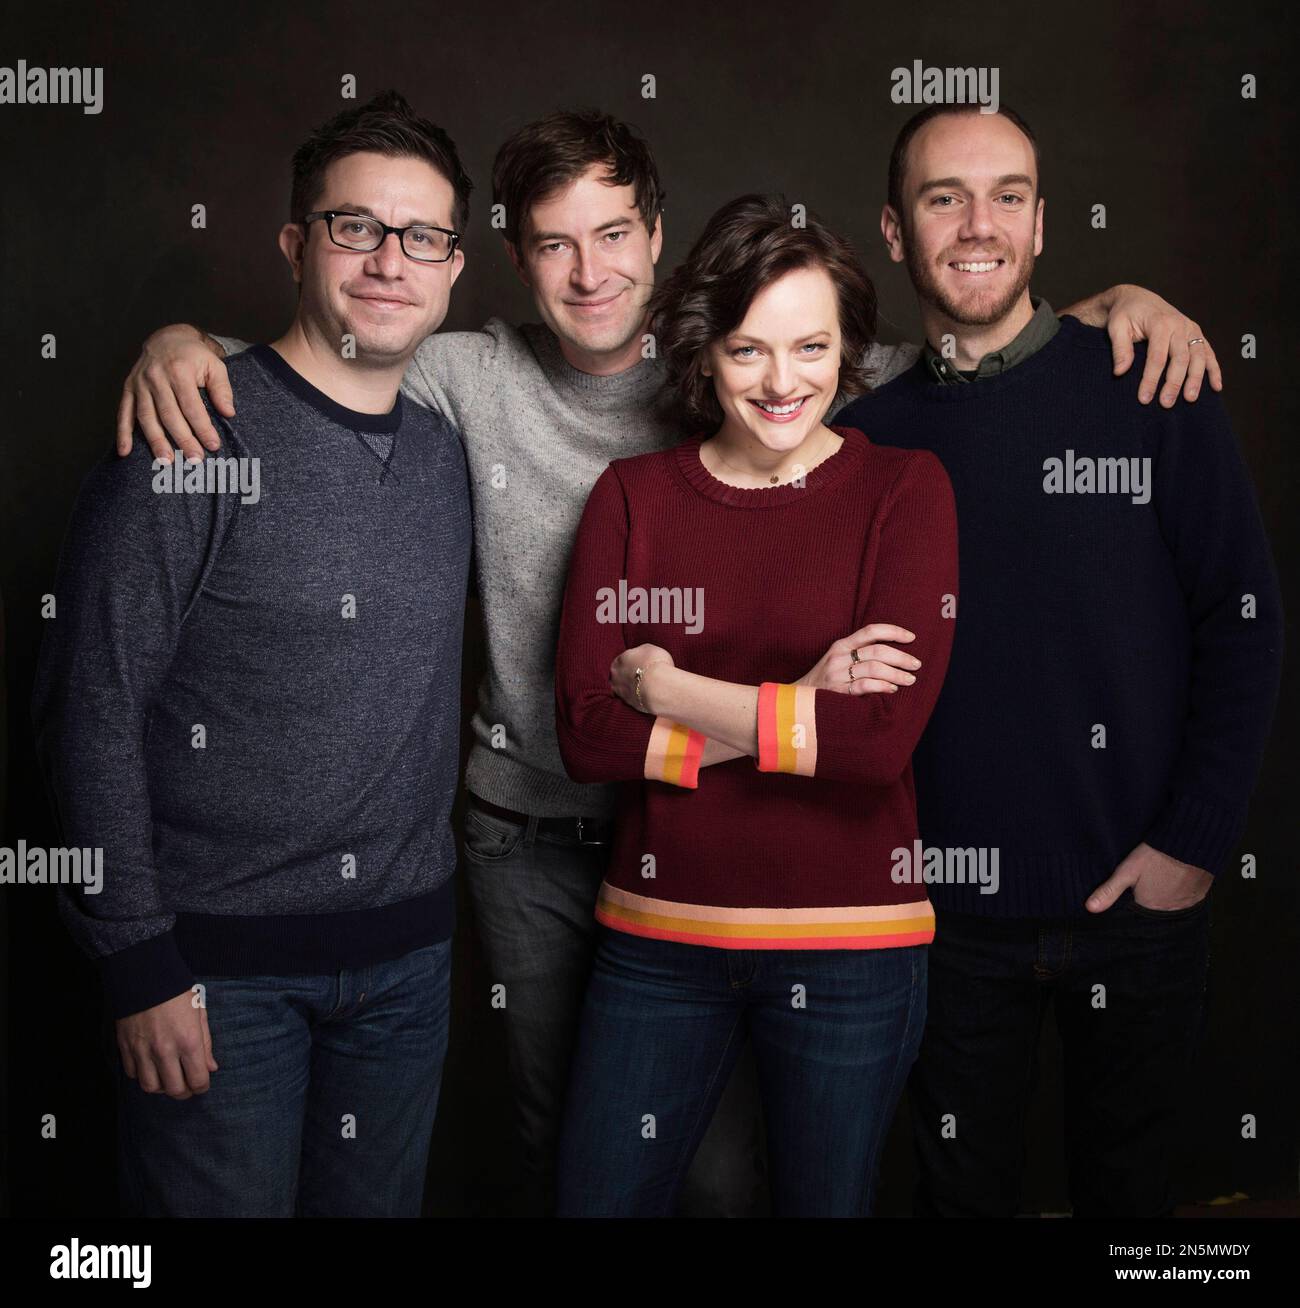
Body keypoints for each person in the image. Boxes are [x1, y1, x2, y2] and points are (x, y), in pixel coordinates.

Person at [112, 109, 1222, 1218]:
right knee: (571, 1145)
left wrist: (1116, 306)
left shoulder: (829, 395)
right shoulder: (470, 376)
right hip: (537, 838)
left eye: (611, 234)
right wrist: (182, 343)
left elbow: (973, 341)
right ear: (512, 259)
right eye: (553, 243)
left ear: (656, 237)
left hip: (763, 878)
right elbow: (322, 356)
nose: (587, 270)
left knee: (736, 1173)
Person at [834, 103, 1284, 1218]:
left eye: (1008, 197)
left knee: (1133, 1204)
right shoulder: (866, 435)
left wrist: (1191, 843)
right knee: (953, 1193)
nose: (977, 225)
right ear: (895, 230)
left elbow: (1243, 617)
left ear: (1041, 225)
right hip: (943, 926)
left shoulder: (1149, 385)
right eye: (944, 198)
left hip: (1137, 906)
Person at [32, 91, 472, 1217]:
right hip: (217, 975)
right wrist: (135, 956)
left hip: (409, 967)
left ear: (454, 268)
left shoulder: (446, 453)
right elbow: (90, 703)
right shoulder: (191, 437)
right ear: (293, 243)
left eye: (422, 236)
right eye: (354, 227)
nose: (389, 260)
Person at [552, 194, 957, 1217]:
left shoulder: (905, 491)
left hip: (853, 943)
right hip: (657, 942)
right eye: (746, 352)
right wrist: (798, 701)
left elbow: (873, 748)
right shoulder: (632, 495)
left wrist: (672, 689)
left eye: (811, 346)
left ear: (847, 347)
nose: (783, 384)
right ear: (700, 355)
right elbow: (587, 735)